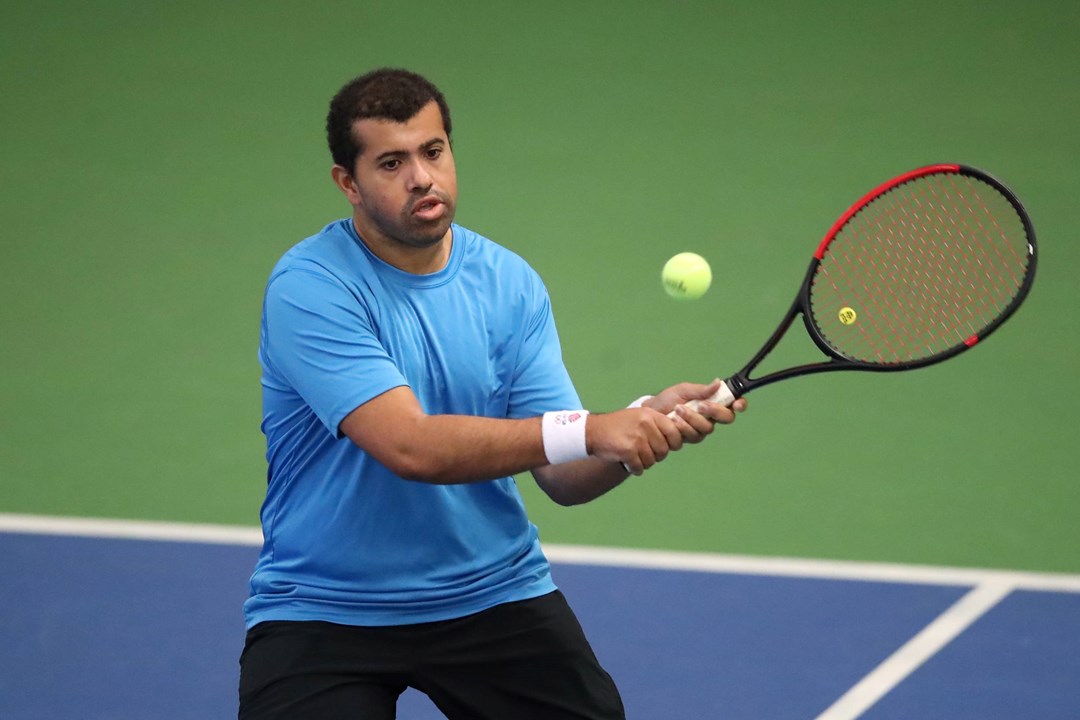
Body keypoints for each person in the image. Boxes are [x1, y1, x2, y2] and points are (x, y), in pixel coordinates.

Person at [239, 68, 748, 720]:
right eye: (391, 162)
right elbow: (411, 447)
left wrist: (644, 425)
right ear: (349, 183)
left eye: (433, 151)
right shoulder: (311, 288)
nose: (421, 177)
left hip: (490, 592)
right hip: (327, 609)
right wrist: (595, 428)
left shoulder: (508, 283)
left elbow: (562, 476)